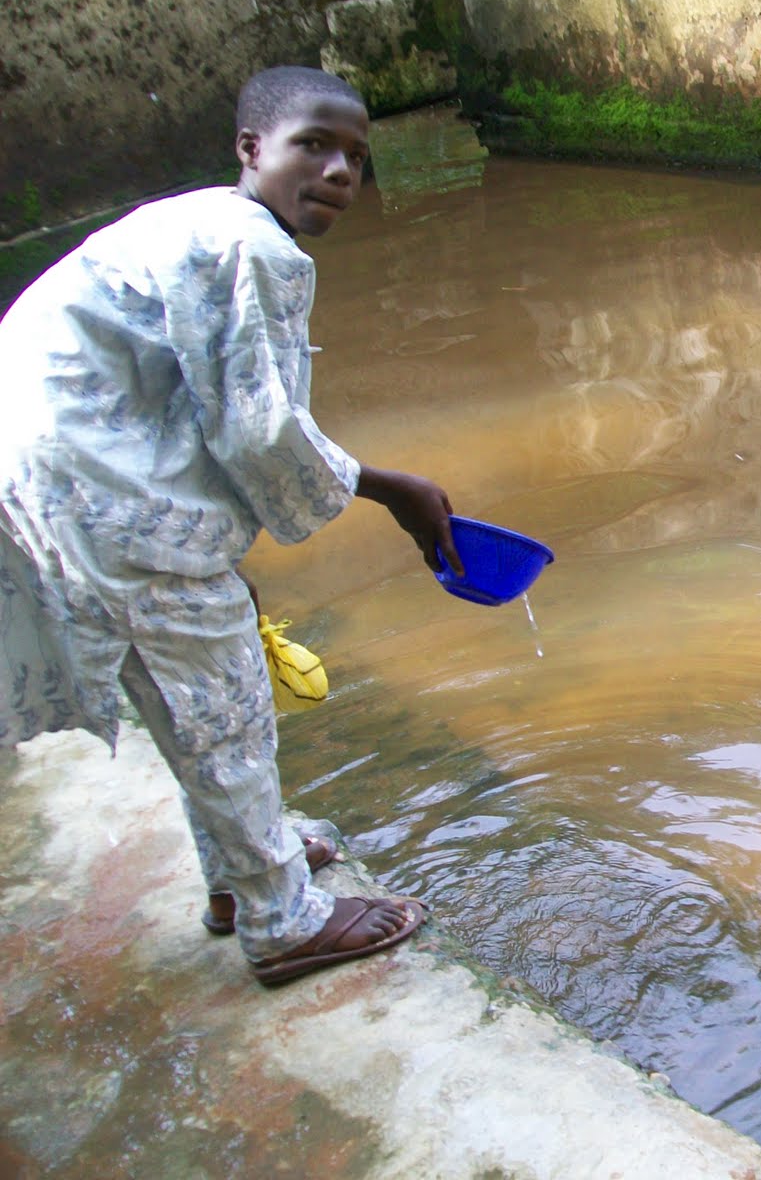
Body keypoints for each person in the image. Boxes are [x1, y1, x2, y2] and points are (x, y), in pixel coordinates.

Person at [0, 65, 463, 986]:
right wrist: (394, 489)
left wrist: (218, 550)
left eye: (357, 159)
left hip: (51, 476)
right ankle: (283, 922)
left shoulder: (198, 221)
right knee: (224, 702)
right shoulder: (256, 249)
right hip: (97, 491)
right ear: (252, 150)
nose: (340, 172)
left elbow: (197, 402)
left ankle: (240, 872)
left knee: (190, 682)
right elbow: (259, 431)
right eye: (315, 146)